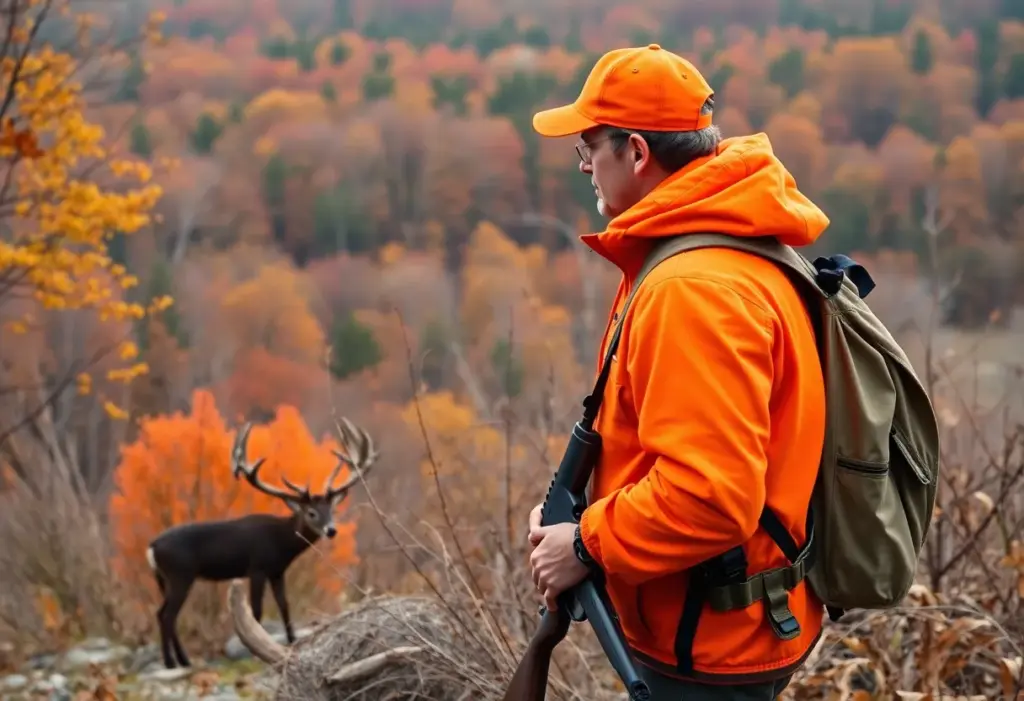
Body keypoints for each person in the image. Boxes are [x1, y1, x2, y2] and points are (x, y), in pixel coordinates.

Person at [525, 44, 830, 700]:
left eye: (588, 148)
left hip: (711, 643)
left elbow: (710, 496)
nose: (584, 166)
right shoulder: (724, 240)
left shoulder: (692, 287)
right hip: (733, 621)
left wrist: (582, 544)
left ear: (635, 152)